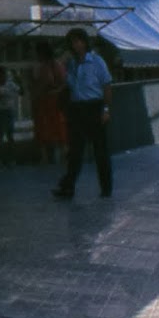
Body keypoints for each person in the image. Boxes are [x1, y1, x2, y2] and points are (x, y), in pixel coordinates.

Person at [52, 27, 113, 200]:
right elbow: (65, 83)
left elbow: (107, 86)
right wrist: (61, 63)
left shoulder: (96, 61)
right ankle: (68, 187)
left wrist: (106, 109)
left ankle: (106, 188)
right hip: (77, 108)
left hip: (94, 106)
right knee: (75, 150)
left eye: (79, 41)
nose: (76, 45)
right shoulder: (71, 64)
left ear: (85, 43)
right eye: (73, 42)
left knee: (100, 150)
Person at [29, 41, 69, 164]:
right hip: (51, 100)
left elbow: (48, 82)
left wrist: (41, 92)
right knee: (55, 127)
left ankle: (47, 156)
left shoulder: (48, 66)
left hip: (48, 100)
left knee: (48, 127)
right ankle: (57, 154)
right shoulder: (56, 65)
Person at [0, 65, 21, 166]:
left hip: (9, 111)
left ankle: (11, 160)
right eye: (1, 75)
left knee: (10, 135)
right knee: (0, 136)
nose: (3, 77)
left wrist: (19, 80)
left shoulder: (10, 84)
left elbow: (21, 92)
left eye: (4, 74)